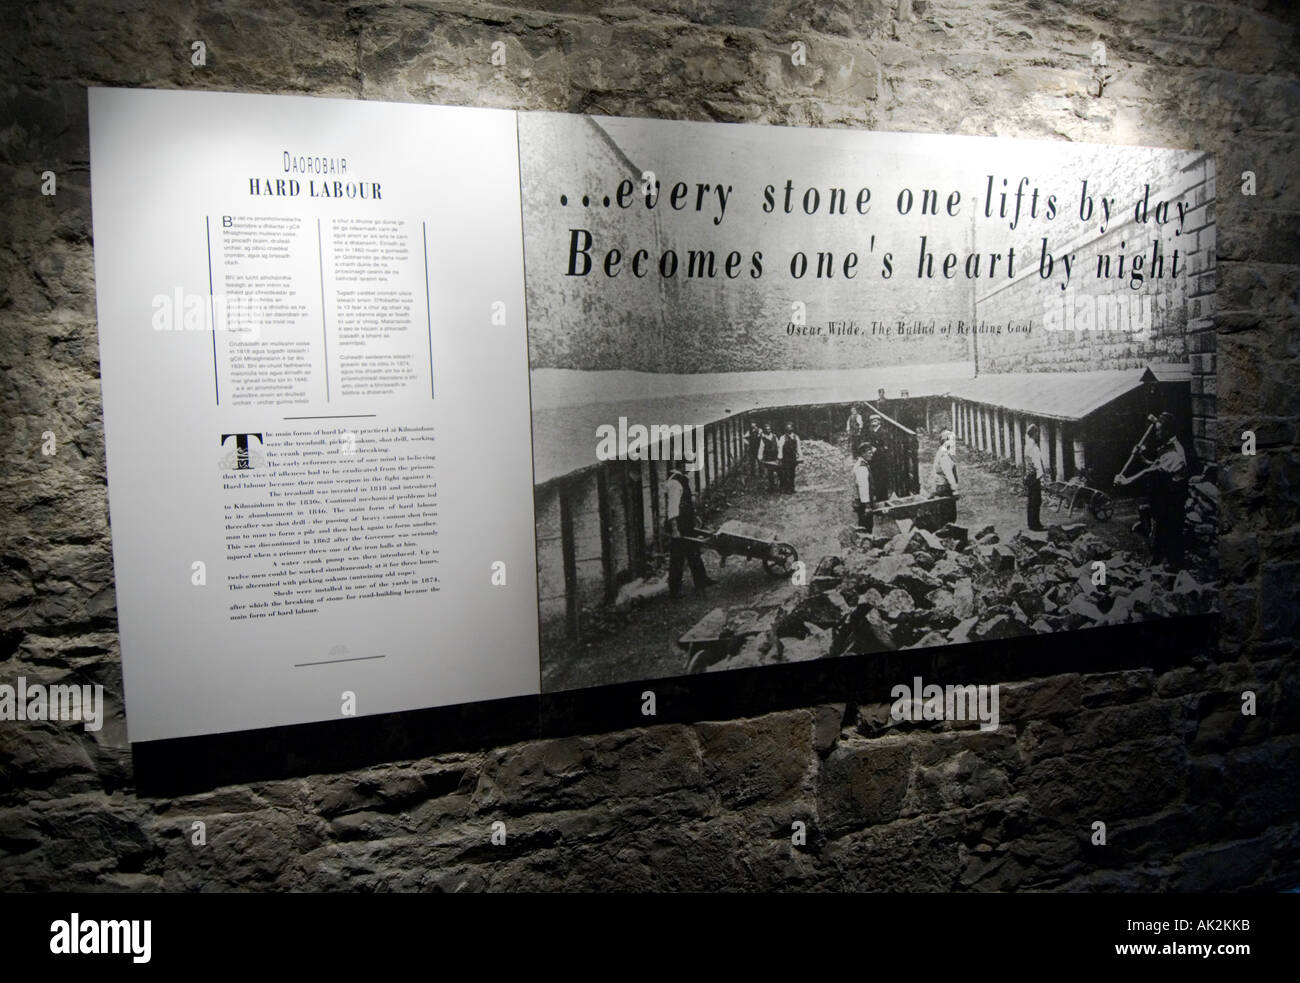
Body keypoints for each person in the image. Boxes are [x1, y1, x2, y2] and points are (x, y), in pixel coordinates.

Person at [1115, 412, 1187, 568]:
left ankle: (1174, 572)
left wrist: (1127, 481)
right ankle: (1158, 562)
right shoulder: (1167, 447)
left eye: (1159, 430)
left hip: (1172, 502)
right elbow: (1153, 464)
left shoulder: (1175, 454)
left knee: (1169, 535)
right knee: (1160, 532)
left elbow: (1151, 471)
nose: (1157, 433)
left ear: (1168, 431)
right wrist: (1140, 456)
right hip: (1164, 499)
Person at [665, 461, 714, 597]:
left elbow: (686, 504)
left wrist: (694, 517)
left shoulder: (682, 479)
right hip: (679, 526)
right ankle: (674, 590)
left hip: (686, 523)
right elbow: (673, 508)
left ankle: (701, 580)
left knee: (694, 552)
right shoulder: (674, 483)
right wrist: (675, 529)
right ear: (682, 466)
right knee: (678, 558)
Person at [1023, 422, 1048, 532]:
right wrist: (1041, 477)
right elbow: (1037, 462)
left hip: (1029, 475)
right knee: (1036, 500)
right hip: (1034, 476)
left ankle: (1031, 523)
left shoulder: (1027, 444)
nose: (1038, 435)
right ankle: (1036, 525)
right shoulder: (1033, 446)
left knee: (1031, 500)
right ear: (1034, 433)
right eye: (1037, 432)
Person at [931, 428, 959, 526]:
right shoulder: (944, 456)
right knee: (949, 516)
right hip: (945, 488)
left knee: (945, 515)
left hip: (941, 487)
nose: (953, 443)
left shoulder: (941, 452)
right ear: (945, 441)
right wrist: (955, 489)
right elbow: (949, 474)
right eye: (951, 440)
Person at [863, 414, 892, 502]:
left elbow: (887, 447)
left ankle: (883, 498)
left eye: (876, 420)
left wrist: (877, 449)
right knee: (874, 478)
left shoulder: (884, 432)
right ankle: (878, 497)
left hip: (882, 460)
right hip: (873, 459)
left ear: (879, 421)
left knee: (882, 479)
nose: (874, 422)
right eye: (872, 420)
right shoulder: (870, 431)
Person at [852, 442, 877, 531]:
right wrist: (867, 506)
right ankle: (866, 543)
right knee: (867, 525)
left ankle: (864, 542)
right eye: (869, 453)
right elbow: (863, 487)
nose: (872, 455)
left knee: (864, 524)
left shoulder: (863, 463)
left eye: (872, 453)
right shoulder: (862, 467)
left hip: (861, 501)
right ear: (863, 453)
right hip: (863, 502)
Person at [778, 421, 802, 493]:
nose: (789, 429)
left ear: (792, 428)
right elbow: (780, 448)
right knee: (786, 473)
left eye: (790, 427)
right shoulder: (783, 437)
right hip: (786, 458)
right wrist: (780, 457)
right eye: (787, 428)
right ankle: (787, 488)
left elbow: (798, 448)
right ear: (786, 429)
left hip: (793, 457)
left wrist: (800, 457)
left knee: (792, 473)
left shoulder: (796, 437)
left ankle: (792, 487)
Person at [759, 422, 780, 490]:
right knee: (770, 472)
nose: (768, 430)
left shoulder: (774, 436)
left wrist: (780, 455)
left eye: (769, 429)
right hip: (768, 458)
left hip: (775, 456)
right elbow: (761, 448)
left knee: (779, 471)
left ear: (771, 430)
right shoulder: (763, 438)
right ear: (764, 430)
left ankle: (781, 485)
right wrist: (760, 457)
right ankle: (772, 486)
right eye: (766, 429)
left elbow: (779, 445)